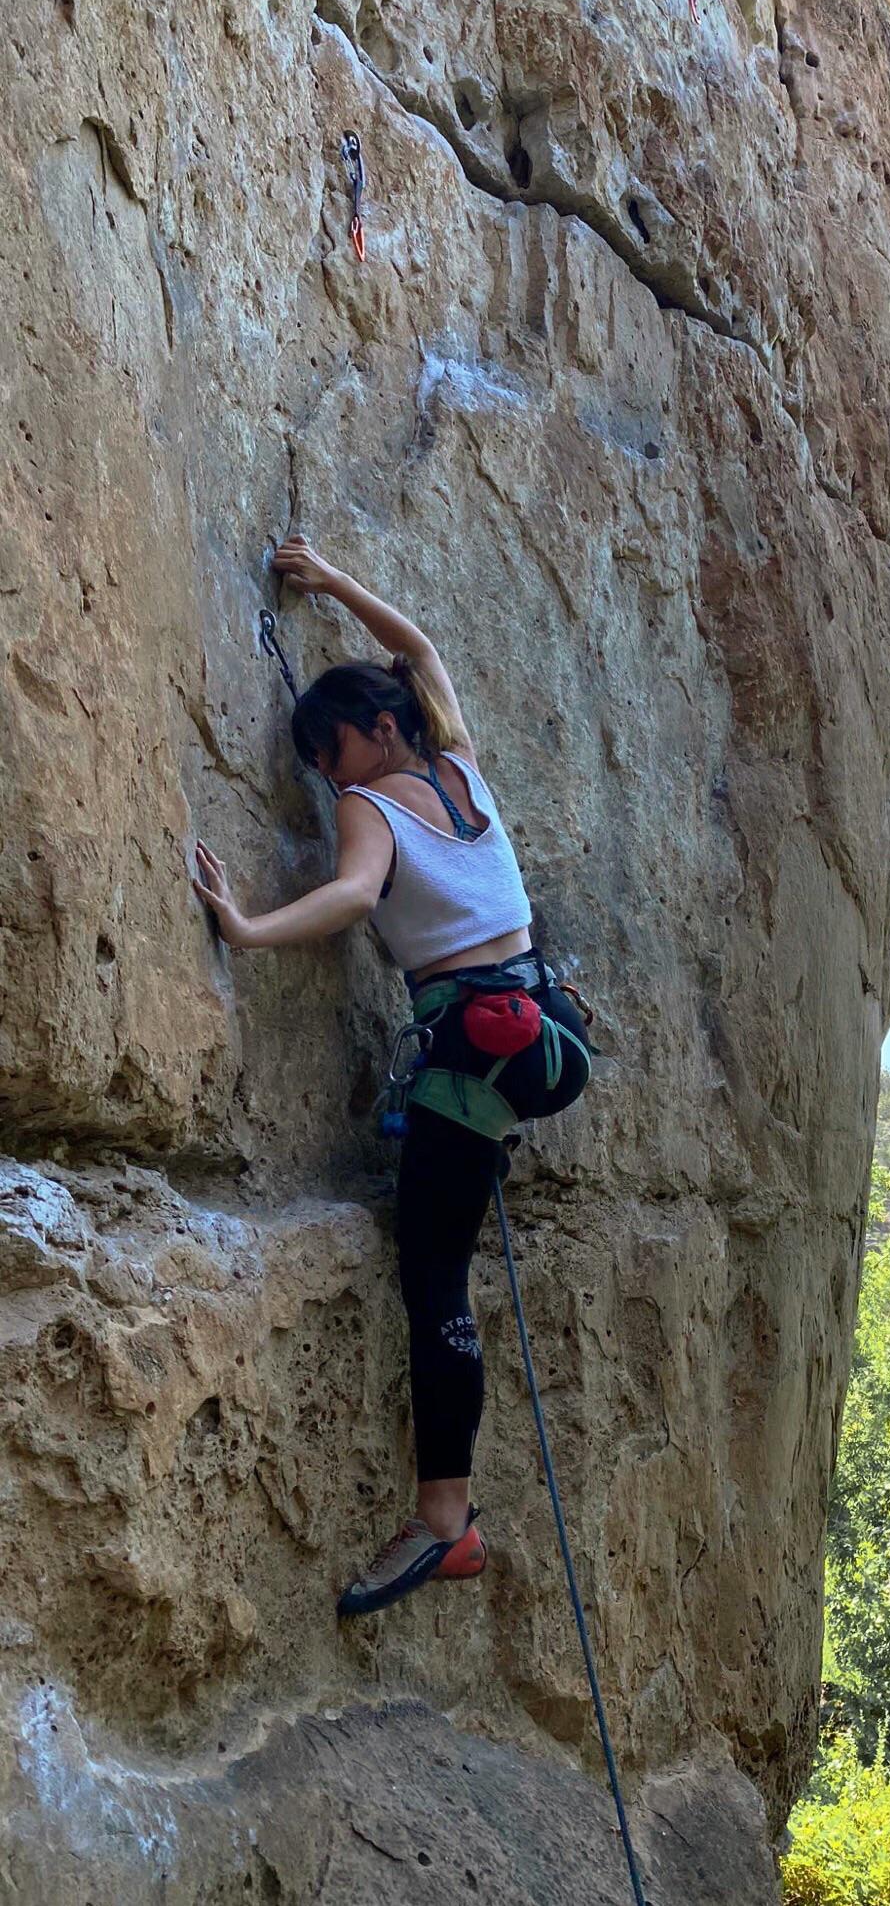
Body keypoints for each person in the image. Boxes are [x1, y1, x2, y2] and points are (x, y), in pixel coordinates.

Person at [192, 536, 590, 1617]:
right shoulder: (460, 763)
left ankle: (444, 1524)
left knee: (435, 1281)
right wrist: (331, 581)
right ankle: (446, 1516)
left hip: (470, 1051)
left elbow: (357, 896)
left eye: (331, 751)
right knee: (440, 1261)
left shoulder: (371, 805)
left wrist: (245, 926)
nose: (329, 775)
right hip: (533, 1029)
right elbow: (419, 647)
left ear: (378, 727)